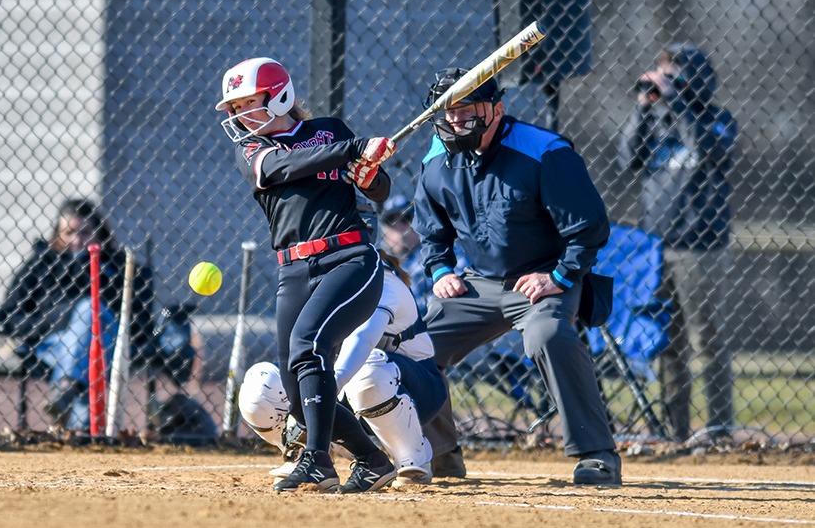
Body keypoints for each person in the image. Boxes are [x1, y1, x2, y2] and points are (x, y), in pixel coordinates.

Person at [413, 69, 622, 485]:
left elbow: (589, 225)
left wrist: (560, 276)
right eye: (448, 112)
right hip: (480, 282)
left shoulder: (544, 150)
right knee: (415, 347)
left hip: (544, 276)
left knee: (547, 335)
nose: (456, 121)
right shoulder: (438, 156)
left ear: (497, 109)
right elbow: (431, 228)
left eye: (468, 110)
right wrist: (439, 270)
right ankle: (439, 456)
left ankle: (598, 454)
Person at [215, 56, 399, 493]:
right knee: (297, 391)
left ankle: (317, 461)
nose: (240, 115)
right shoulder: (252, 150)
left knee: (309, 345)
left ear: (280, 97)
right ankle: (373, 461)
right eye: (235, 108)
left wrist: (368, 172)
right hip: (293, 270)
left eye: (248, 103)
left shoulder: (330, 130)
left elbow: (380, 189)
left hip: (349, 259)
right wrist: (352, 150)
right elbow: (279, 169)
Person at [240, 249, 447, 488]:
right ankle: (302, 452)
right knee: (262, 383)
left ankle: (411, 458)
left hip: (414, 388)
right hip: (345, 394)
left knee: (369, 369)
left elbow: (362, 339)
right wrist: (305, 401)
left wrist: (321, 400)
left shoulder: (380, 278)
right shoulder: (314, 276)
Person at [617, 43, 737, 441]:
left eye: (675, 75)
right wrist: (642, 106)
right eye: (663, 73)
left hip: (700, 246)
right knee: (670, 342)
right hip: (657, 245)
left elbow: (708, 152)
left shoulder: (718, 119)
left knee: (707, 338)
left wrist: (678, 103)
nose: (667, 82)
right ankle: (675, 430)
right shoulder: (656, 119)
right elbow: (628, 158)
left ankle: (719, 430)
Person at [0, 198, 154, 429]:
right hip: (53, 344)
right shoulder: (42, 263)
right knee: (85, 321)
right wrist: (59, 318)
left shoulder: (120, 267)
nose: (77, 240)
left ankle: (67, 389)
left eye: (85, 232)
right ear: (57, 234)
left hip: (108, 347)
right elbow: (12, 315)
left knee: (91, 312)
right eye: (68, 232)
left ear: (100, 233)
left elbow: (141, 323)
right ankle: (78, 422)